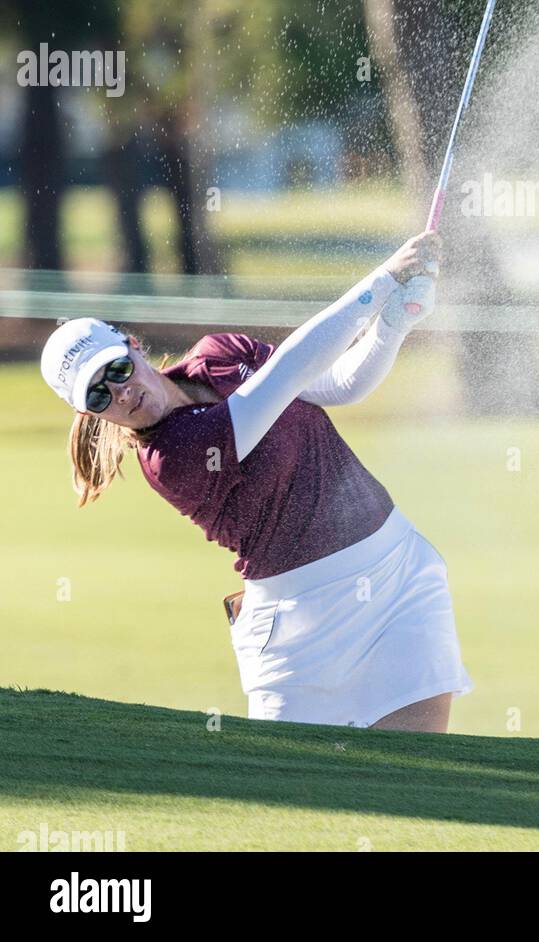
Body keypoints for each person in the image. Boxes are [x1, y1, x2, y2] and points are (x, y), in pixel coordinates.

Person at [40, 231, 471, 733]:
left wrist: (395, 321)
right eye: (97, 396)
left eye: (116, 368)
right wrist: (383, 280)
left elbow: (336, 383)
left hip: (399, 575)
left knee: (421, 775)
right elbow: (286, 375)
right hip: (300, 627)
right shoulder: (168, 456)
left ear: (133, 345)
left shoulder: (219, 352)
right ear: (88, 413)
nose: (120, 391)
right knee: (296, 796)